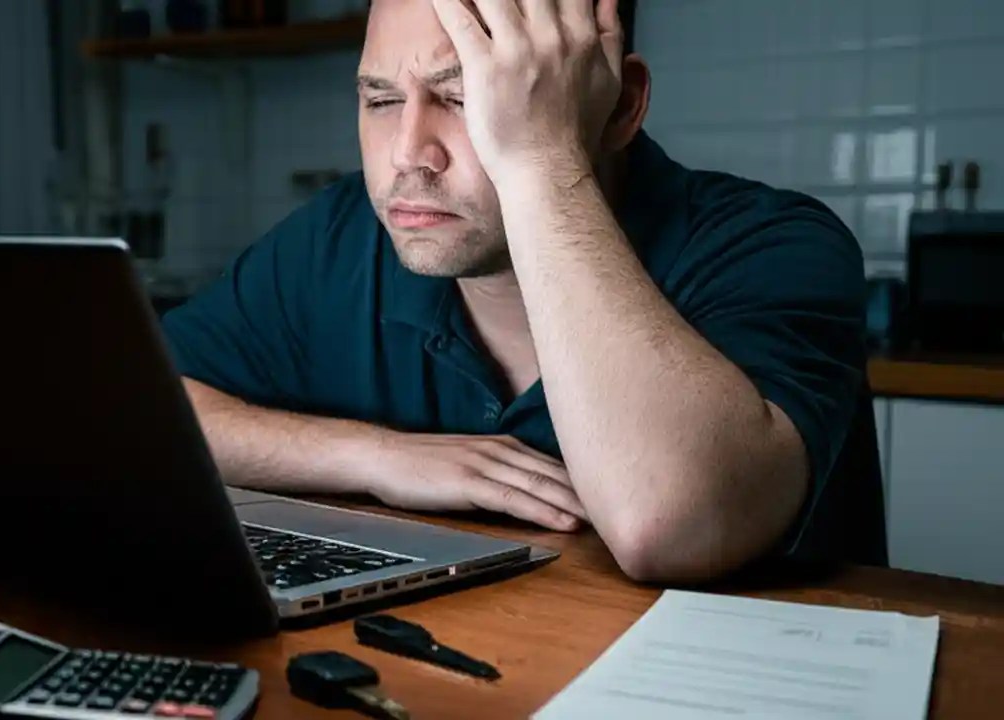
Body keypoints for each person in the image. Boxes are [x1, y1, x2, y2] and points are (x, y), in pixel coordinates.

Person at [161, 0, 882, 582]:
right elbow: (144, 409)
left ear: (619, 106)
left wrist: (542, 159)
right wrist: (373, 456)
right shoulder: (341, 236)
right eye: (381, 99)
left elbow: (666, 526)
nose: (409, 153)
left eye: (467, 96)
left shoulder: (775, 244)